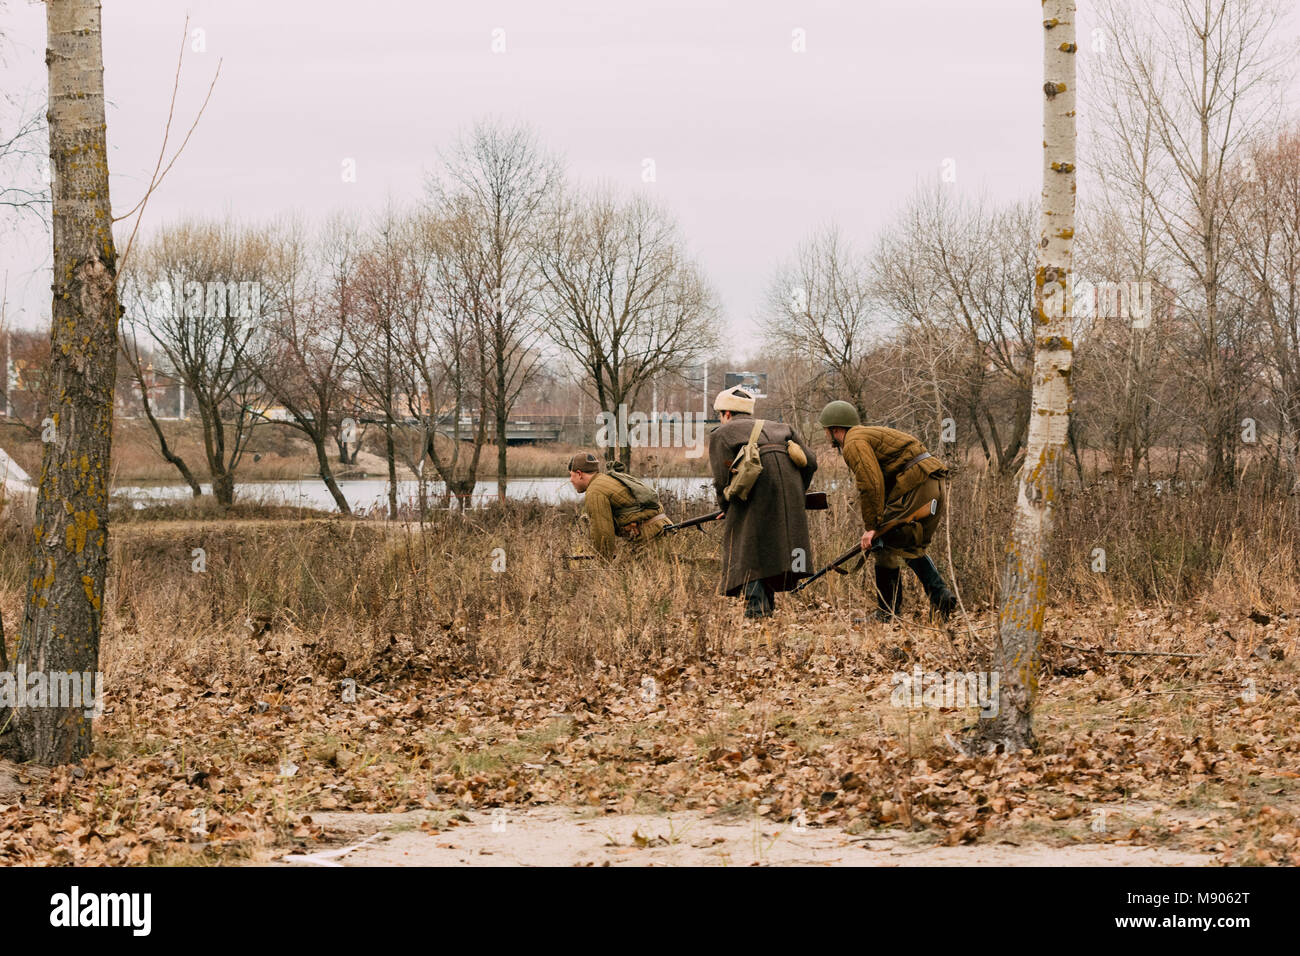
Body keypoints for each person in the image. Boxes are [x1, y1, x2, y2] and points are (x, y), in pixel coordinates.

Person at [817, 400, 958, 621]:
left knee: (886, 540)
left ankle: (888, 612)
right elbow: (882, 480)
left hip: (919, 483)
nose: (826, 435)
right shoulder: (863, 435)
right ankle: (938, 598)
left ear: (836, 430)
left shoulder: (853, 443)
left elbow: (870, 484)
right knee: (903, 543)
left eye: (826, 430)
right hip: (931, 482)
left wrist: (872, 527)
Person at [708, 385, 818, 618]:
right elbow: (811, 462)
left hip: (754, 494)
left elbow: (721, 480)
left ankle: (756, 610)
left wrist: (727, 509)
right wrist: (797, 492)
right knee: (774, 548)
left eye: (721, 415)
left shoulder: (722, 434)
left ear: (726, 414)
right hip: (788, 495)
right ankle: (765, 607)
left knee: (746, 549)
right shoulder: (782, 428)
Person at [567, 452, 671, 559]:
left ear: (579, 474)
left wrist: (604, 564)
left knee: (621, 572)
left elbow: (603, 534)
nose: (570, 480)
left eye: (571, 475)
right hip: (662, 527)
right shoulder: (606, 479)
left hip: (647, 535)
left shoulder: (595, 491)